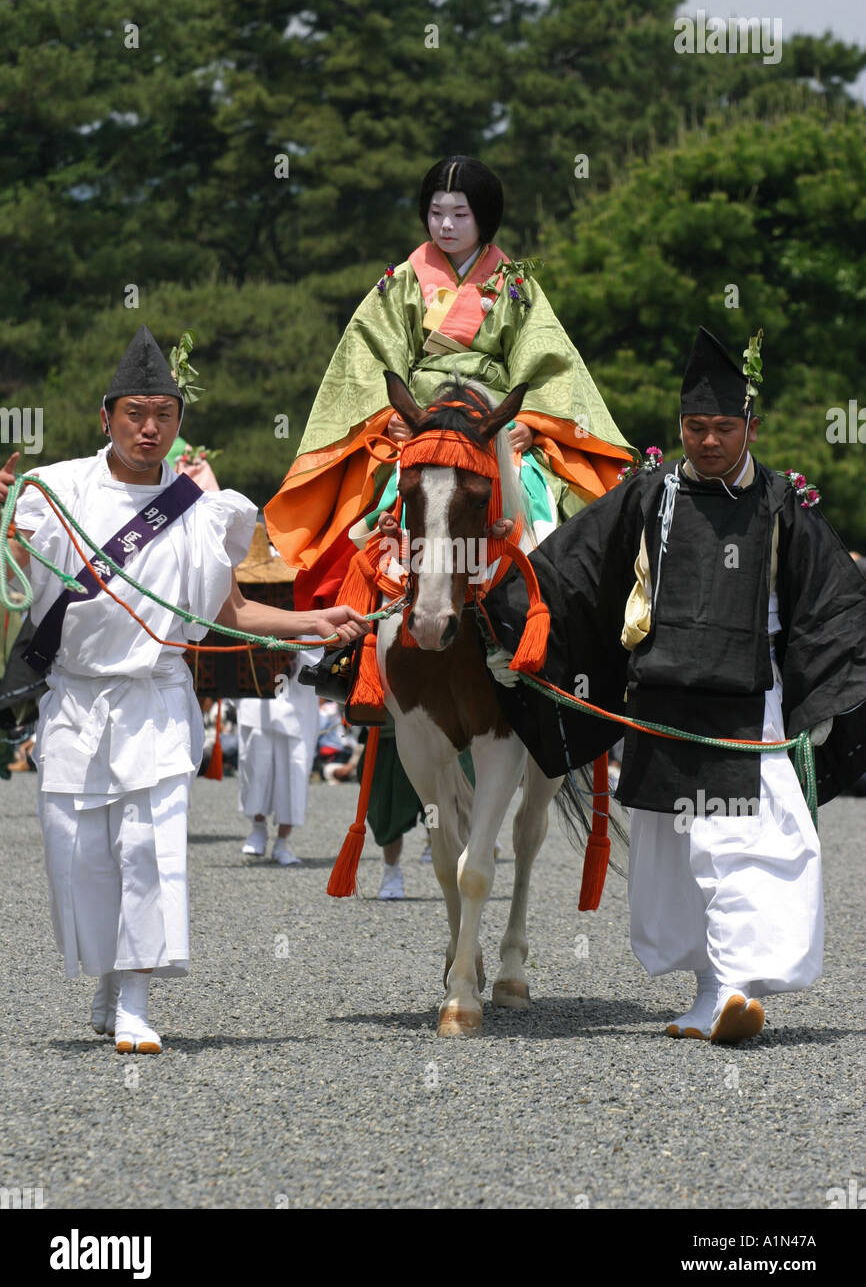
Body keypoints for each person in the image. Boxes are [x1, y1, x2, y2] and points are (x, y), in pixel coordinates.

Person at [264, 155, 632, 899]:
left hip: (495, 434)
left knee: (543, 529)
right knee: (375, 527)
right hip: (421, 429)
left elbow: (551, 370)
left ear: (484, 219)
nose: (444, 223)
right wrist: (398, 425)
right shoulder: (399, 284)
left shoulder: (515, 287)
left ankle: (554, 643)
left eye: (458, 213)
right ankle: (354, 650)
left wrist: (527, 424)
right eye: (435, 210)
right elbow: (365, 368)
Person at [484, 326, 866, 1043]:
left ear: (751, 426)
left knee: (747, 846)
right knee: (676, 858)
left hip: (750, 705)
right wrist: (517, 625)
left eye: (724, 427)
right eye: (696, 427)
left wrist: (823, 697)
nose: (710, 441)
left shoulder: (785, 504)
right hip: (661, 703)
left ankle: (735, 987)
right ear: (680, 426)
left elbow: (834, 601)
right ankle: (708, 995)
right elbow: (574, 569)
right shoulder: (650, 496)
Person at [0, 325, 368, 1055]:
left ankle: (134, 1000)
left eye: (163, 414)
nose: (149, 427)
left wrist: (311, 620)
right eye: (134, 413)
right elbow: (18, 578)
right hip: (75, 700)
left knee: (149, 850)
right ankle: (107, 976)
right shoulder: (55, 491)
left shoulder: (200, 508)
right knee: (78, 852)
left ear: (178, 420)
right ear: (106, 416)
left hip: (156, 701)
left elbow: (225, 613)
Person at [237, 653, 320, 866]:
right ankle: (257, 828)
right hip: (260, 687)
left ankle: (283, 841)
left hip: (299, 694)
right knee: (255, 761)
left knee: (295, 768)